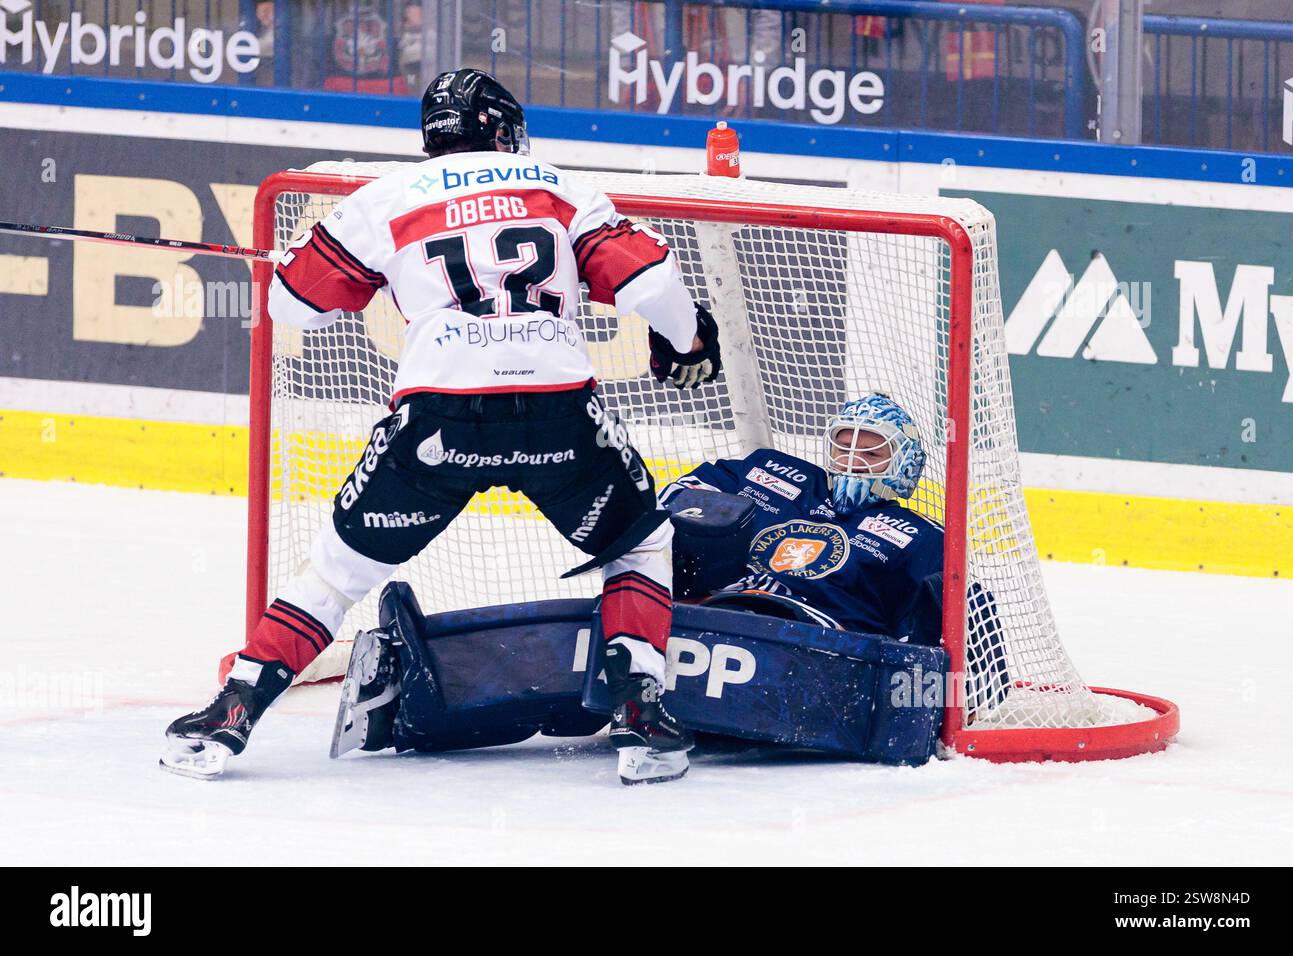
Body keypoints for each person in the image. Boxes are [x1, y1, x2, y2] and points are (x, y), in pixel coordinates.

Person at [162, 68, 720, 785]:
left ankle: (231, 712)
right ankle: (641, 712)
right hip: (557, 413)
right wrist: (685, 341)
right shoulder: (554, 184)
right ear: (500, 128)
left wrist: (350, 277)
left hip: (441, 420)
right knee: (642, 544)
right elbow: (651, 284)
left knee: (337, 572)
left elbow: (292, 307)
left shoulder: (384, 199)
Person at [663, 392, 946, 642]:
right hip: (720, 607)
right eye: (844, 449)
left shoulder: (919, 537)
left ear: (905, 465)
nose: (852, 463)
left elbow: (950, 630)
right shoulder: (769, 471)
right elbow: (672, 504)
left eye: (870, 453)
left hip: (818, 644)